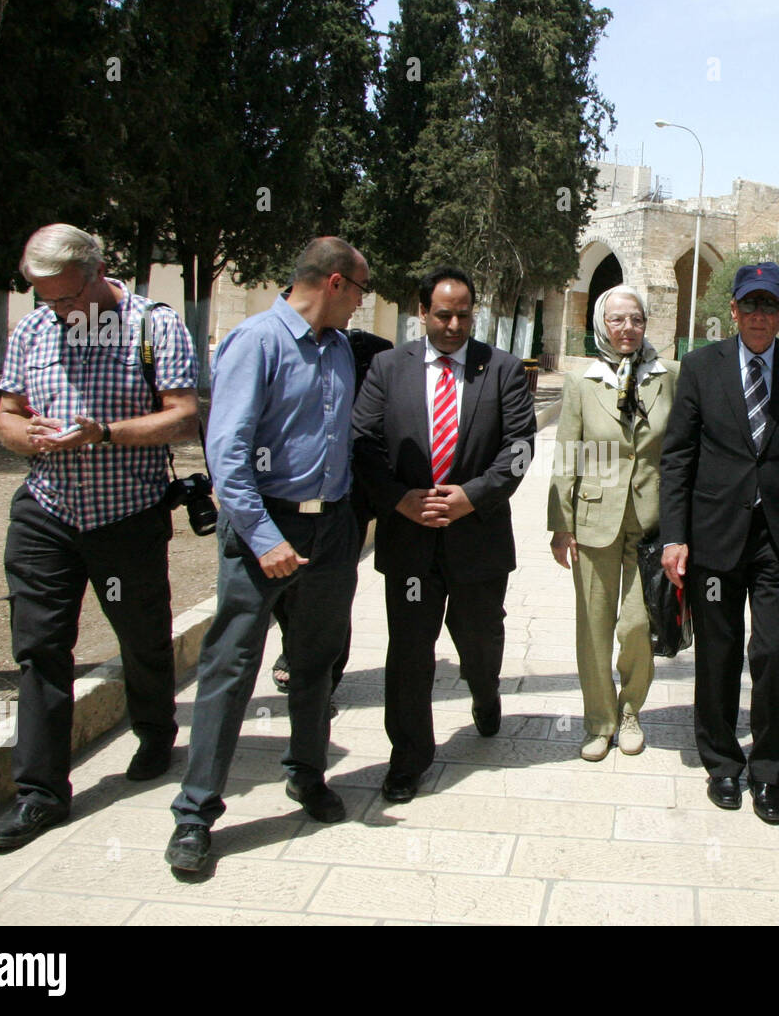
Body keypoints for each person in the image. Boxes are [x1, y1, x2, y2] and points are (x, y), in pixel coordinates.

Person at [0, 223, 199, 851]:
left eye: (67, 297)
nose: (57, 310)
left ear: (99, 271)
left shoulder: (153, 326)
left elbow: (184, 417)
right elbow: (7, 412)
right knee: (40, 649)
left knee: (143, 637)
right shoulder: (32, 330)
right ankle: (41, 794)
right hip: (46, 513)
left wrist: (102, 433)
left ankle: (156, 732)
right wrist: (24, 438)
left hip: (126, 517)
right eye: (44, 298)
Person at [165, 237, 368, 872]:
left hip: (330, 531)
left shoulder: (338, 350)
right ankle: (195, 814)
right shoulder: (256, 341)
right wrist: (266, 539)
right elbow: (226, 456)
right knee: (229, 668)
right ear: (334, 283)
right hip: (264, 532)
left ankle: (306, 774)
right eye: (360, 290)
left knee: (317, 664)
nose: (363, 304)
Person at [351, 265, 536, 804]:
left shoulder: (500, 369)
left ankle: (485, 693)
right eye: (443, 314)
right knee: (410, 652)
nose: (454, 325)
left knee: (480, 640)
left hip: (478, 538)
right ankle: (409, 758)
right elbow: (363, 442)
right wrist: (400, 499)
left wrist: (472, 495)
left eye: (463, 315)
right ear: (422, 313)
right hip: (410, 539)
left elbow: (520, 446)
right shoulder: (387, 367)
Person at [660, 262, 779, 825]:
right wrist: (675, 536)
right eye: (749, 305)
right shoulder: (701, 367)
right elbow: (678, 456)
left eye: (770, 305)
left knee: (776, 653)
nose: (759, 315)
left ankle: (771, 773)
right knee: (719, 650)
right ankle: (722, 764)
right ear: (732, 311)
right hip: (713, 536)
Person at [547, 285, 679, 761]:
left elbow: (680, 451)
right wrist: (560, 524)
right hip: (594, 516)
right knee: (594, 625)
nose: (627, 328)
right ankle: (599, 720)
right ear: (602, 323)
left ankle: (631, 710)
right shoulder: (584, 381)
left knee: (638, 625)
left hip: (651, 522)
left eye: (636, 320)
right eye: (618, 320)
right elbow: (569, 453)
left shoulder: (670, 376)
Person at [268, 327, 394, 694]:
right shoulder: (288, 349)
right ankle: (292, 649)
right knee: (285, 587)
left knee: (333, 592)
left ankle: (327, 678)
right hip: (289, 495)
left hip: (348, 499)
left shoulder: (375, 353)